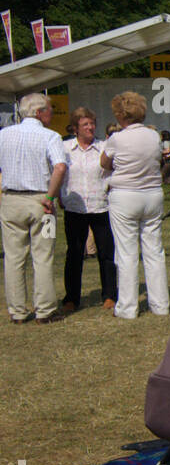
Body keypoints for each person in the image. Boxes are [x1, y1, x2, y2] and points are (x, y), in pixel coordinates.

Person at [0, 93, 70, 323]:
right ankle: (45, 309)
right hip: (42, 202)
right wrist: (51, 195)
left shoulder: (4, 134)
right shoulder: (50, 136)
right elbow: (60, 167)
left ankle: (17, 311)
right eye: (49, 109)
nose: (51, 113)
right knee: (43, 255)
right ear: (39, 112)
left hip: (11, 199)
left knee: (13, 257)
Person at [100, 92, 169, 319]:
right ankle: (160, 305)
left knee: (127, 253)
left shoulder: (117, 139)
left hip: (125, 196)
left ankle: (127, 307)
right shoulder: (153, 136)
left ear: (120, 115)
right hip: (152, 194)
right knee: (154, 251)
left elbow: (104, 162)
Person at [60, 107, 117, 313]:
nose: (90, 127)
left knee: (106, 253)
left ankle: (110, 295)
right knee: (74, 254)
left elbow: (112, 172)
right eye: (85, 124)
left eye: (92, 123)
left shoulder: (104, 147)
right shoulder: (65, 148)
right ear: (75, 128)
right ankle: (71, 299)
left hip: (100, 206)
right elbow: (59, 174)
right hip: (75, 207)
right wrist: (59, 196)